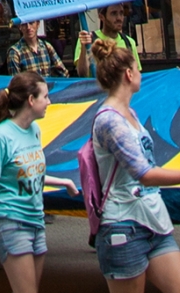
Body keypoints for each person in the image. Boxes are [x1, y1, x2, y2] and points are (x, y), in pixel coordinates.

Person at [0, 71, 75, 293]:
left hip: (36, 220)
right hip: (10, 220)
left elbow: (30, 173)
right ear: (31, 100)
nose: (49, 102)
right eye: (45, 97)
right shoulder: (1, 136)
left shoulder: (34, 130)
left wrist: (63, 182)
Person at [88, 37, 180, 291]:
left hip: (153, 221)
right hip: (123, 226)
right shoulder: (109, 121)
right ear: (129, 74)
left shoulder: (131, 113)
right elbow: (144, 174)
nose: (141, 73)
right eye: (138, 69)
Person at [77, 4, 142, 78]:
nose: (119, 18)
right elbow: (82, 73)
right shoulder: (88, 39)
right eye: (113, 13)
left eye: (121, 13)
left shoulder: (129, 42)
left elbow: (136, 76)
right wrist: (84, 47)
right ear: (101, 17)